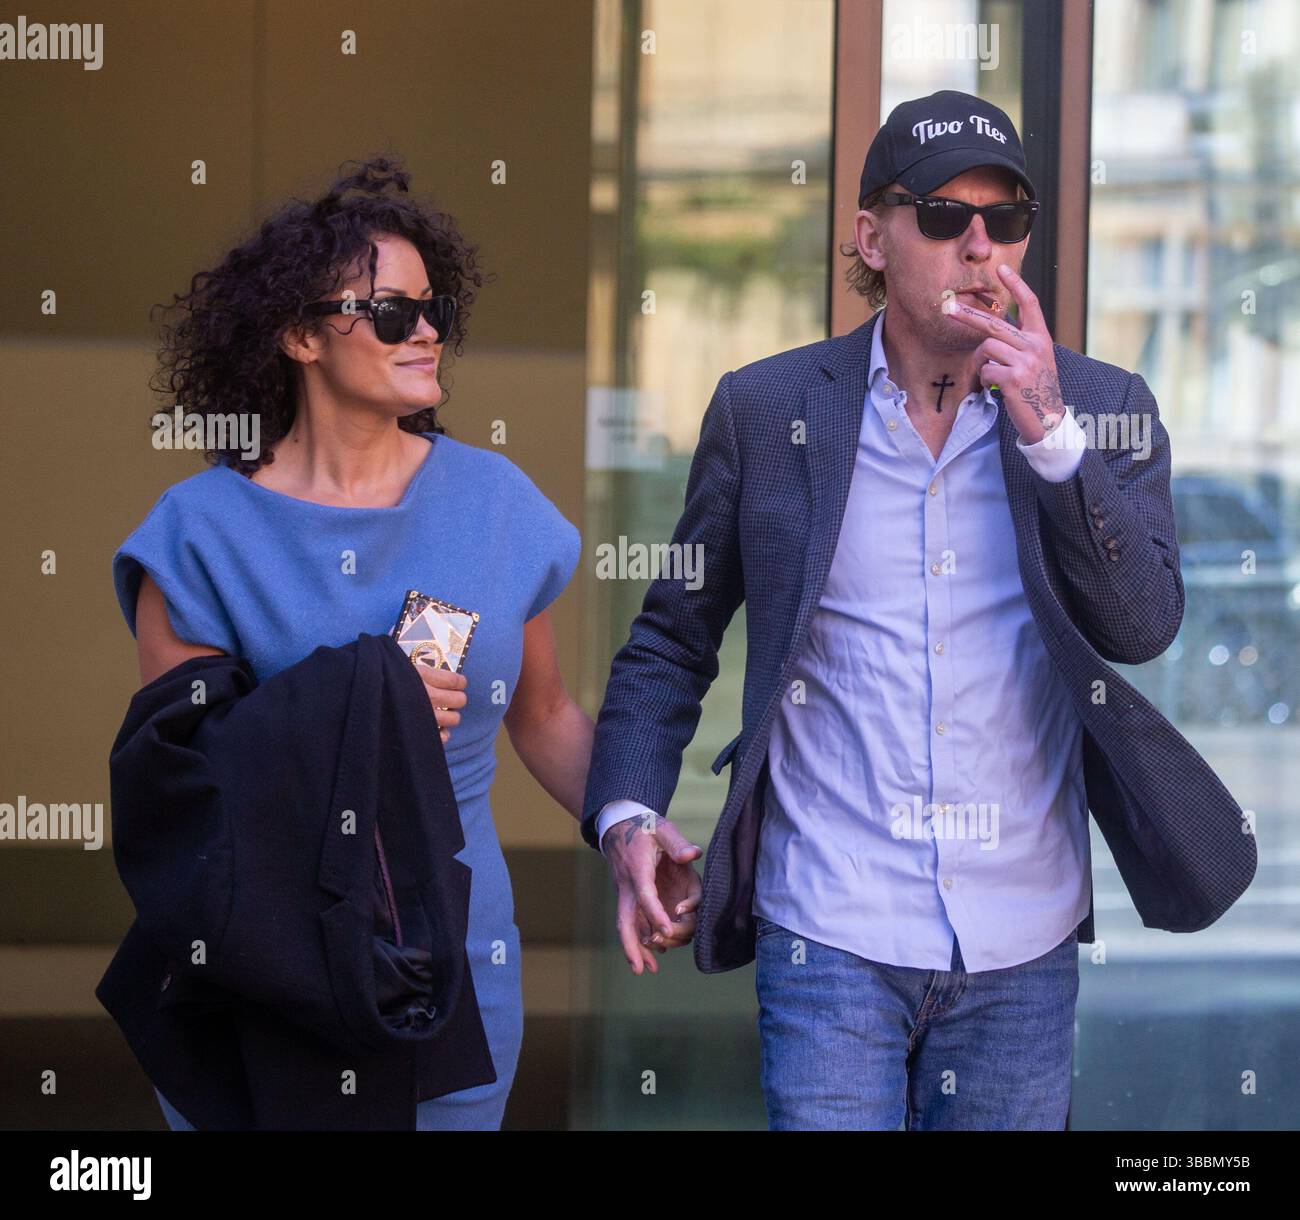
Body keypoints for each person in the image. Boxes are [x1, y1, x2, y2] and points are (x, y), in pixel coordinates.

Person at [579, 90, 1255, 1130]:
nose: (978, 245)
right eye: (942, 215)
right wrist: (626, 815)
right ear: (870, 236)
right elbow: (673, 637)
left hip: (1020, 935)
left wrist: (1051, 440)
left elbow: (1143, 624)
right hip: (828, 923)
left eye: (1006, 218)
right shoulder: (766, 412)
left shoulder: (1102, 404)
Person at [112, 157, 596, 1130]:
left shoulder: (495, 503)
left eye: (436, 310)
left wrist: (631, 825)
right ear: (299, 335)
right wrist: (368, 704)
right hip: (264, 970)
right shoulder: (200, 533)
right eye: (388, 312)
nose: (424, 332)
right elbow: (184, 788)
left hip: (447, 965)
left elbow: (544, 716)